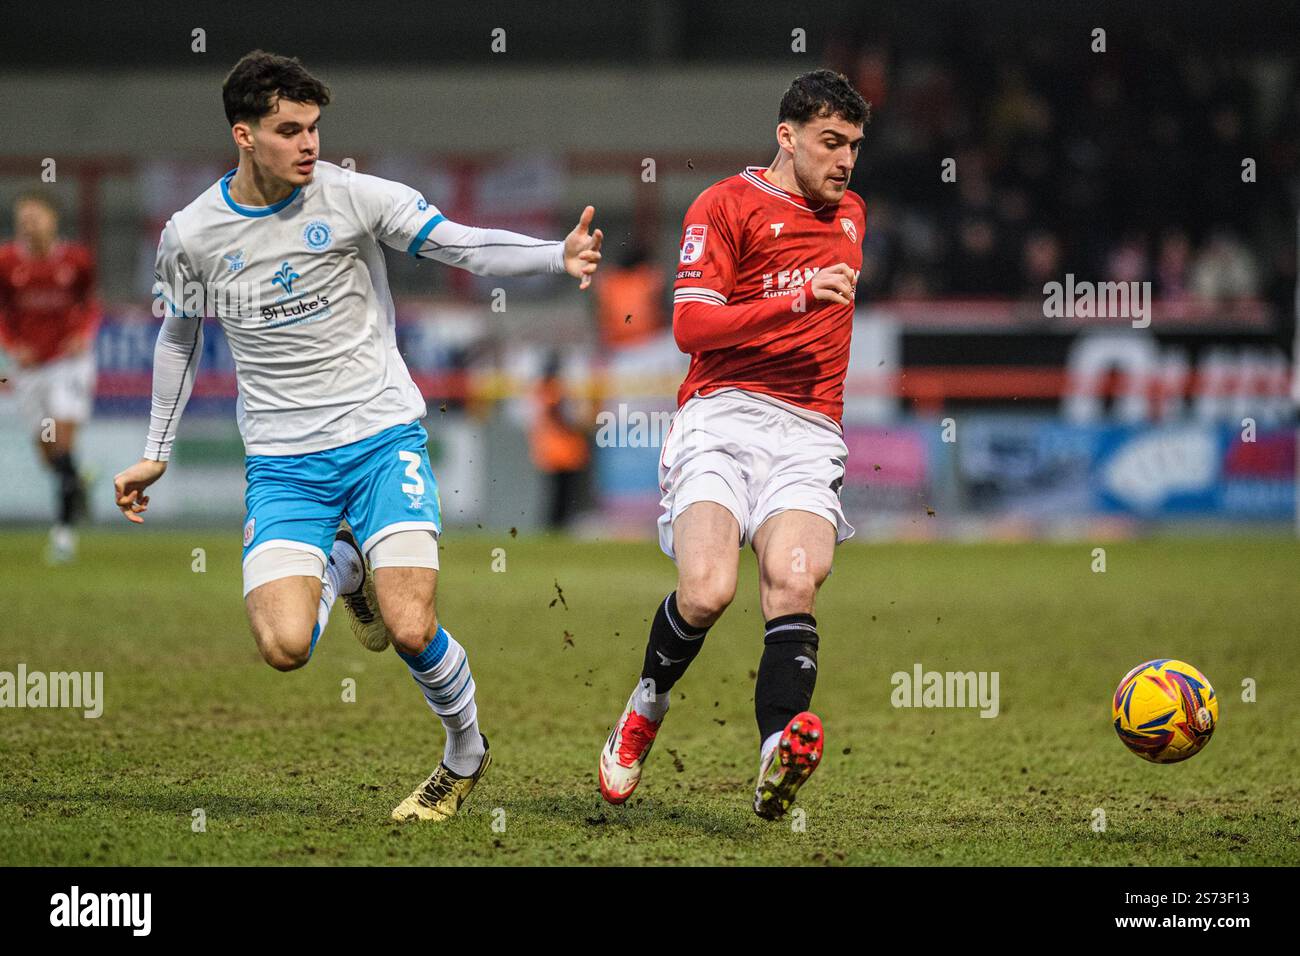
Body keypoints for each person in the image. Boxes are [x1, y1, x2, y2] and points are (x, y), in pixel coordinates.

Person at [111, 50, 602, 822]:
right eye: (289, 130)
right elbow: (180, 335)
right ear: (244, 135)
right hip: (283, 465)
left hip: (380, 439)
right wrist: (155, 452)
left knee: (409, 626)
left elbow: (459, 243)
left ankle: (464, 753)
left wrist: (555, 255)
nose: (309, 143)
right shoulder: (192, 235)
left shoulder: (351, 196)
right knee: (284, 648)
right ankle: (345, 569)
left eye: (314, 127)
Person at [597, 69, 868, 820]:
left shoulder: (852, 215)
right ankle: (646, 705)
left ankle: (778, 751)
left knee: (794, 581)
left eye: (854, 146)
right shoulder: (723, 205)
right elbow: (691, 327)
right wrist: (796, 296)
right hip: (722, 417)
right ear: (787, 135)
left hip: (810, 430)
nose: (845, 160)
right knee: (708, 590)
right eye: (831, 142)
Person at [0, 191, 99, 563]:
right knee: (49, 456)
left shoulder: (76, 260)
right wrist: (12, 346)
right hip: (28, 370)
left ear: (53, 220)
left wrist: (83, 335)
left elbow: (91, 303)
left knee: (61, 440)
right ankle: (78, 479)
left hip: (68, 365)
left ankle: (63, 535)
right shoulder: (7, 263)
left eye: (35, 217)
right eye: (23, 219)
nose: (28, 225)